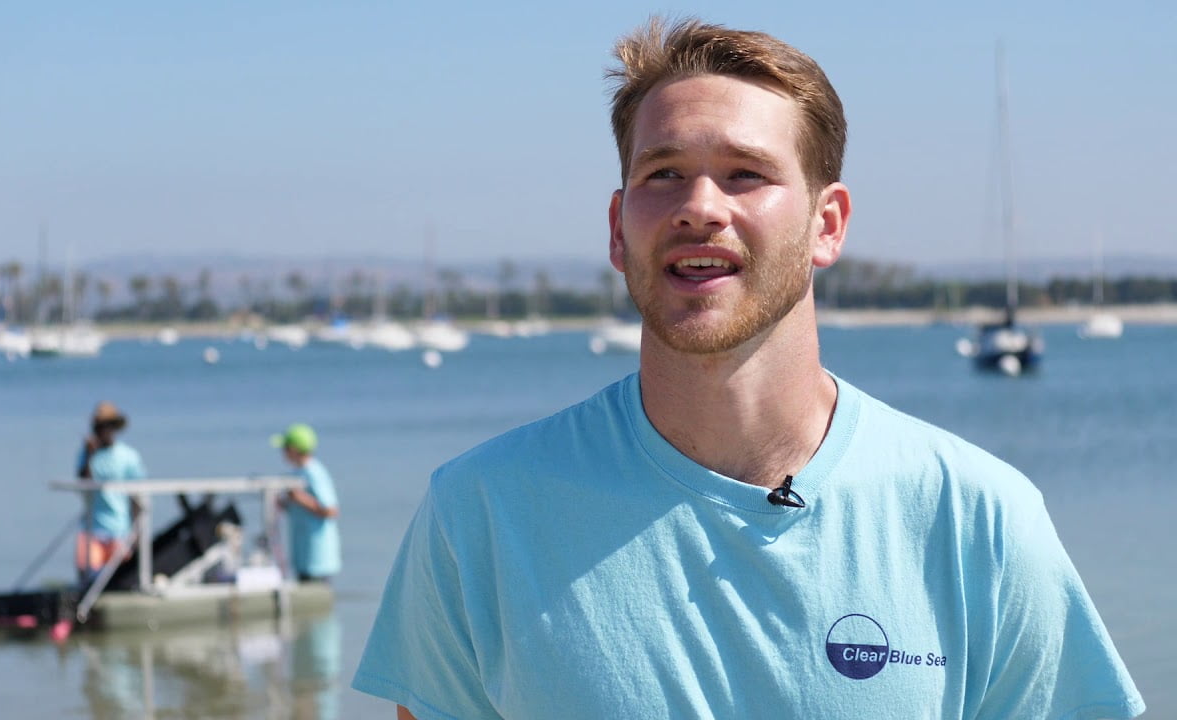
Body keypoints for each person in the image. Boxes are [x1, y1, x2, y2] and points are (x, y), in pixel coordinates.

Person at [353, 18, 1145, 720]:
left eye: (745, 174)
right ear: (618, 229)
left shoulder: (978, 519)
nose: (699, 205)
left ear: (825, 224)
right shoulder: (480, 516)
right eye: (661, 173)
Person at [75, 401, 147, 580]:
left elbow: (137, 496)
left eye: (106, 426)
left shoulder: (128, 456)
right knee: (87, 578)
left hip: (119, 529)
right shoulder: (87, 454)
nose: (101, 431)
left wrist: (137, 534)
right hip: (92, 529)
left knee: (123, 578)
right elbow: (83, 484)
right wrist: (89, 455)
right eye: (98, 427)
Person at [272, 423, 341, 582]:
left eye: (285, 448)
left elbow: (331, 510)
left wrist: (299, 498)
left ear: (295, 449)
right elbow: (297, 506)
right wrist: (284, 502)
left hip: (317, 557)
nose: (282, 452)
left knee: (315, 592)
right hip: (303, 554)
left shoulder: (314, 472)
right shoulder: (297, 472)